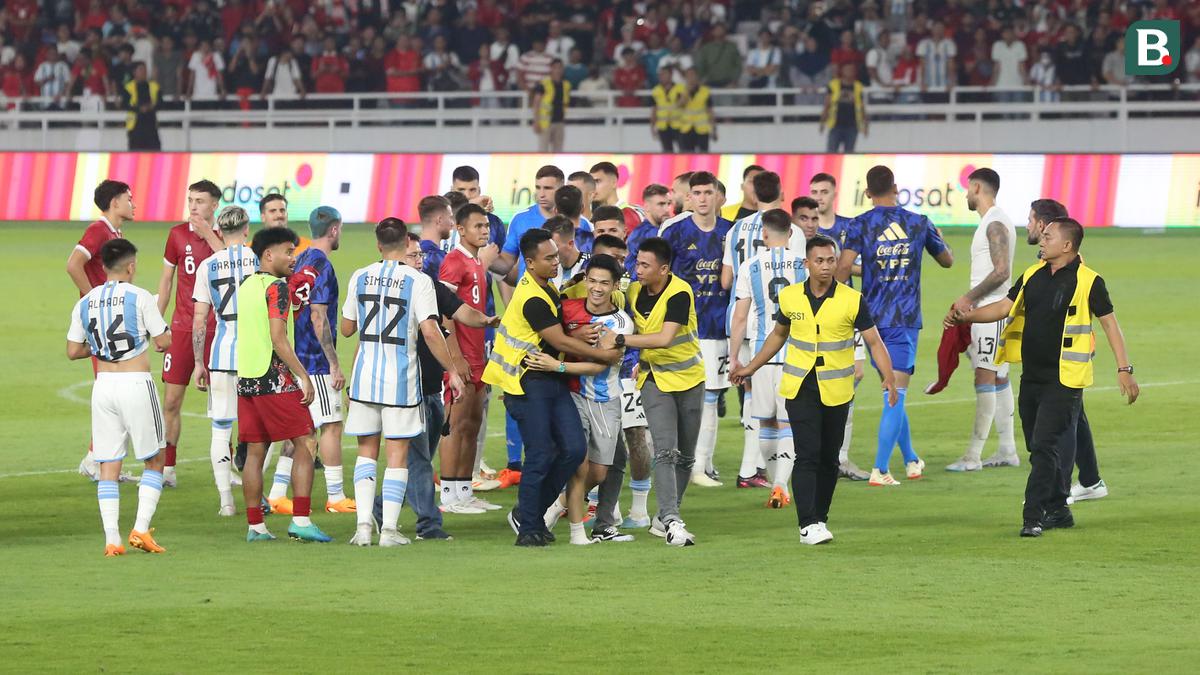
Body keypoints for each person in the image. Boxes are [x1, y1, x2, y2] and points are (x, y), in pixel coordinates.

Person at [947, 218, 1138, 537]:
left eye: (1048, 236)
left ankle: (1032, 516)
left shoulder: (1090, 281)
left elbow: (1110, 325)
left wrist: (1124, 369)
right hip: (1032, 377)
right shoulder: (1032, 275)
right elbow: (1004, 307)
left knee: (1046, 445)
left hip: (1065, 380)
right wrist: (966, 316)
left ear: (1067, 245)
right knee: (1039, 447)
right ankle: (1060, 510)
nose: (1041, 240)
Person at [732, 235, 898, 545]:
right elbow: (778, 336)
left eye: (831, 260)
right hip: (799, 386)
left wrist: (887, 376)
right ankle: (807, 524)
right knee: (807, 454)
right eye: (819, 261)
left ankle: (820, 518)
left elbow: (874, 340)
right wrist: (750, 367)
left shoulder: (852, 299)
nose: (825, 266)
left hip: (836, 389)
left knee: (829, 459)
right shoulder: (791, 297)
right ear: (807, 264)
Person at [485, 229, 622, 547]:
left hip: (550, 378)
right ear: (530, 262)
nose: (556, 261)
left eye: (556, 255)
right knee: (541, 453)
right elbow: (557, 339)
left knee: (574, 450)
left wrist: (577, 335)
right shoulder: (533, 296)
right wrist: (602, 354)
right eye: (549, 258)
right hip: (526, 381)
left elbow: (558, 334)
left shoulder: (543, 286)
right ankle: (530, 527)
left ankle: (527, 513)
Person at [341, 226, 465, 548]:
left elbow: (346, 328)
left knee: (366, 453)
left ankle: (363, 527)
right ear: (406, 244)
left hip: (365, 376)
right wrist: (451, 369)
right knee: (397, 454)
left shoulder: (360, 275)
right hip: (400, 379)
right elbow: (430, 331)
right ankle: (390, 531)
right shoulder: (418, 280)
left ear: (378, 244)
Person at [836, 165, 954, 486]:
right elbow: (947, 261)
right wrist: (940, 240)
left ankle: (911, 459)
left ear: (868, 192)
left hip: (870, 321)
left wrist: (840, 298)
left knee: (892, 391)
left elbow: (844, 267)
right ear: (896, 187)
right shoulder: (918, 223)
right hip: (903, 320)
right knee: (896, 394)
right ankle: (881, 470)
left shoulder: (860, 224)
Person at [67, 239, 172, 556]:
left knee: (109, 463)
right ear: (131, 266)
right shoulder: (140, 297)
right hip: (135, 383)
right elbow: (163, 342)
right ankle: (140, 529)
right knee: (155, 459)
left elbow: (73, 351)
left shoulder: (86, 302)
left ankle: (112, 540)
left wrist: (98, 349)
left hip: (103, 388)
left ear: (102, 267)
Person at [601, 237, 703, 546]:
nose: (637, 269)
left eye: (645, 265)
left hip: (690, 379)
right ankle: (671, 519)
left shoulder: (680, 293)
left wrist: (619, 340)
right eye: (636, 263)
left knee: (686, 457)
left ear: (664, 269)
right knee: (665, 451)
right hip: (654, 380)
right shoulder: (632, 291)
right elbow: (603, 296)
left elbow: (664, 338)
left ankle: (663, 518)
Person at [236, 227, 331, 543]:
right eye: (288, 252)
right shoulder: (277, 288)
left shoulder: (247, 285)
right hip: (274, 378)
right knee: (306, 441)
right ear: (268, 255)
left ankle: (255, 527)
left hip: (247, 378)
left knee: (255, 451)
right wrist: (303, 375)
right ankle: (301, 520)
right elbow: (279, 338)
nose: (293, 258)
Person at [534, 255, 636, 545]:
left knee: (599, 473)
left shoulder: (620, 324)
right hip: (573, 395)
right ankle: (578, 534)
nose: (597, 288)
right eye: (592, 281)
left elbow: (600, 365)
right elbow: (550, 336)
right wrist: (572, 334)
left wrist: (559, 366)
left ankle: (557, 505)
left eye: (605, 283)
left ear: (616, 286)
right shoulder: (568, 309)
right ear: (585, 281)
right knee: (578, 464)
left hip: (607, 400)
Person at [720, 170, 807, 490]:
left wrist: (733, 359)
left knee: (763, 416)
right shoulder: (802, 263)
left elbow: (736, 308)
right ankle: (780, 482)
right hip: (794, 349)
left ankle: (757, 472)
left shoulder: (742, 244)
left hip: (756, 345)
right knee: (787, 420)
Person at [1023, 200, 1108, 501]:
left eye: (1033, 221)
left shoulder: (1072, 267)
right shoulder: (1045, 264)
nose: (1030, 227)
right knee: (1072, 418)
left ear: (1046, 225)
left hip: (1068, 354)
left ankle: (1057, 491)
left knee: (1066, 423)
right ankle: (1089, 480)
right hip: (1055, 358)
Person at [658, 171, 732, 487]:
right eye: (697, 193)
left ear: (718, 195)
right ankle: (682, 461)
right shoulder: (673, 231)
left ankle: (701, 465)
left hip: (717, 327)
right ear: (689, 196)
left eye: (708, 192)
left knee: (712, 395)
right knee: (679, 397)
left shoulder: (731, 231)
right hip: (681, 327)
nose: (703, 198)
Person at [944, 169, 1018, 472]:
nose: (966, 195)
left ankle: (973, 456)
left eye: (968, 189)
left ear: (977, 187)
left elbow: (1001, 271)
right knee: (999, 378)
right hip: (992, 311)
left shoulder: (995, 224)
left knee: (985, 378)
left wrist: (968, 298)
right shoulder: (994, 221)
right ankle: (1007, 449)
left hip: (991, 311)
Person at [283, 207, 354, 513]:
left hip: (298, 357)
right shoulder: (322, 265)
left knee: (302, 428)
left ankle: (275, 492)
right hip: (317, 362)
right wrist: (334, 363)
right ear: (334, 230)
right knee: (332, 425)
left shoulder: (299, 260)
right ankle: (336, 497)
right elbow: (318, 315)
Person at [191, 206, 259, 516]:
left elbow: (200, 319)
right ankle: (257, 497)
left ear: (219, 231)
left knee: (221, 428)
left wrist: (198, 362)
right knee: (262, 428)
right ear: (246, 230)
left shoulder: (207, 266)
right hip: (256, 355)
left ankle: (226, 502)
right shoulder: (259, 260)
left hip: (221, 354)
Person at [157, 180, 225, 488]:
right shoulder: (176, 235)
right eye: (190, 200)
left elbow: (231, 265)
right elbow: (166, 282)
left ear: (214, 206)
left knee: (224, 403)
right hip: (184, 329)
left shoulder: (225, 236)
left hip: (220, 330)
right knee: (171, 401)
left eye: (200, 201)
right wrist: (157, 323)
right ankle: (168, 467)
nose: (193, 206)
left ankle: (226, 467)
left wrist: (208, 234)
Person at [438, 204, 505, 514]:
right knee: (455, 424)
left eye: (486, 226)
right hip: (462, 357)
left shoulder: (477, 262)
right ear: (461, 230)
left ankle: (465, 491)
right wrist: (455, 359)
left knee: (473, 424)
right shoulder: (453, 262)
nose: (484, 230)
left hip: (479, 355)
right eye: (477, 226)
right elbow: (444, 312)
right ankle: (449, 495)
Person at [69, 180, 135, 482]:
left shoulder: (114, 233)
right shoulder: (98, 231)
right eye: (128, 198)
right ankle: (97, 460)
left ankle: (98, 458)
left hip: (110, 320)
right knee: (111, 391)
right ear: (114, 202)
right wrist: (92, 300)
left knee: (113, 391)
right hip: (102, 321)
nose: (133, 203)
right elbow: (74, 264)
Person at [626, 183, 672, 279]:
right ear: (646, 207)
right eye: (661, 204)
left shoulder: (660, 230)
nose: (667, 209)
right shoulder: (647, 234)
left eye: (669, 204)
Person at [820, 63, 868, 153]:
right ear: (842, 71)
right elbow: (827, 104)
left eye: (852, 70)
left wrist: (865, 124)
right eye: (848, 69)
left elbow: (861, 107)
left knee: (849, 154)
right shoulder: (834, 85)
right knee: (831, 153)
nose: (850, 72)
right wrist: (822, 122)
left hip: (852, 126)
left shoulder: (858, 86)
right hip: (836, 125)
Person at [590, 161, 644, 236]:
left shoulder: (628, 214)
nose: (592, 187)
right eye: (591, 183)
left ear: (614, 183)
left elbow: (633, 246)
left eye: (597, 181)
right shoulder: (591, 216)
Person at [531, 59, 569, 152]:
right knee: (543, 150)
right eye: (555, 68)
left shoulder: (566, 85)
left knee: (558, 151)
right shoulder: (544, 84)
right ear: (551, 69)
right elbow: (536, 103)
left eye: (560, 68)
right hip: (546, 123)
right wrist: (536, 121)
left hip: (559, 121)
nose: (558, 70)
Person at [677, 68, 715, 152]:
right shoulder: (680, 90)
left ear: (697, 76)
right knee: (687, 157)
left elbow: (710, 111)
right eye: (688, 75)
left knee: (704, 155)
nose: (691, 77)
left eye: (693, 75)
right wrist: (687, 91)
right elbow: (680, 105)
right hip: (686, 128)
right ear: (685, 77)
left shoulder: (705, 91)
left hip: (702, 128)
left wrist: (713, 128)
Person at [417, 195, 454, 279]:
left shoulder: (406, 253)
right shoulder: (439, 259)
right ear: (439, 220)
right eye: (450, 217)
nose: (452, 223)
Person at [124, 62, 160, 150]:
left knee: (154, 153)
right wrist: (139, 109)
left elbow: (161, 103)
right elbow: (125, 104)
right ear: (134, 72)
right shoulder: (128, 87)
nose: (144, 72)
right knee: (135, 154)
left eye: (145, 69)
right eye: (141, 69)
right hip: (135, 126)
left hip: (151, 126)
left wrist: (151, 107)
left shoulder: (154, 86)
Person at [649, 66, 684, 152]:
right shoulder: (656, 90)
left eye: (664, 74)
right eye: (660, 74)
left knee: (683, 150)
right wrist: (652, 127)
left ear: (671, 75)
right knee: (667, 151)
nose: (661, 76)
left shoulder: (680, 88)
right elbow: (654, 109)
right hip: (663, 125)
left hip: (678, 124)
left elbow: (684, 103)